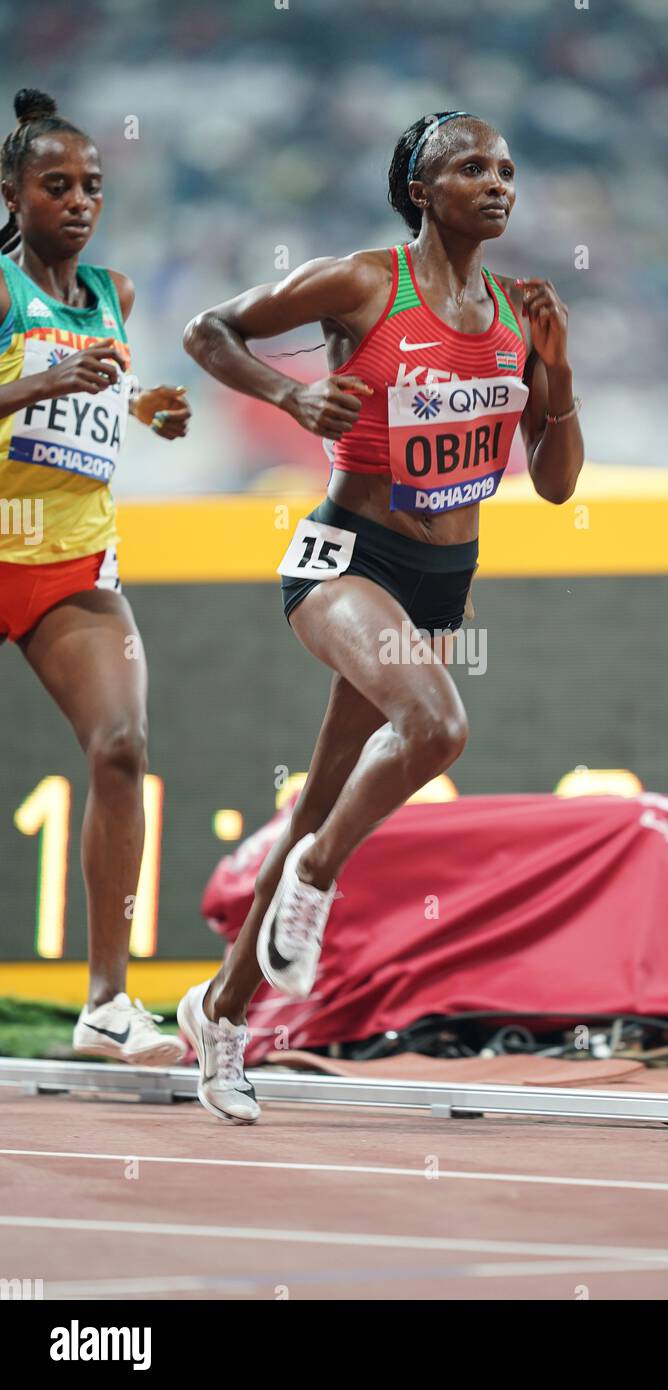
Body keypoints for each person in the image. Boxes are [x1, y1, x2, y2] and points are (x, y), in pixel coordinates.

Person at [179, 111, 583, 1122]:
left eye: (506, 167)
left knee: (322, 792)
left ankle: (219, 1014)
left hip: (442, 581)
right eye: (469, 168)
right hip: (345, 560)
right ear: (418, 187)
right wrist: (287, 394)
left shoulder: (513, 312)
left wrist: (558, 378)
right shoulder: (363, 283)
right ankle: (316, 876)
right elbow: (207, 330)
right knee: (436, 726)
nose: (496, 184)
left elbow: (555, 486)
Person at [0, 88, 191, 1064]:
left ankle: (108, 1002)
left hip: (70, 561)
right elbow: (44, 393)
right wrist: (36, 382)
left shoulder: (112, 292)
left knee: (121, 747)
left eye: (92, 187)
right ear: (12, 192)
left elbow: (97, 408)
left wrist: (151, 407)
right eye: (56, 185)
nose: (78, 201)